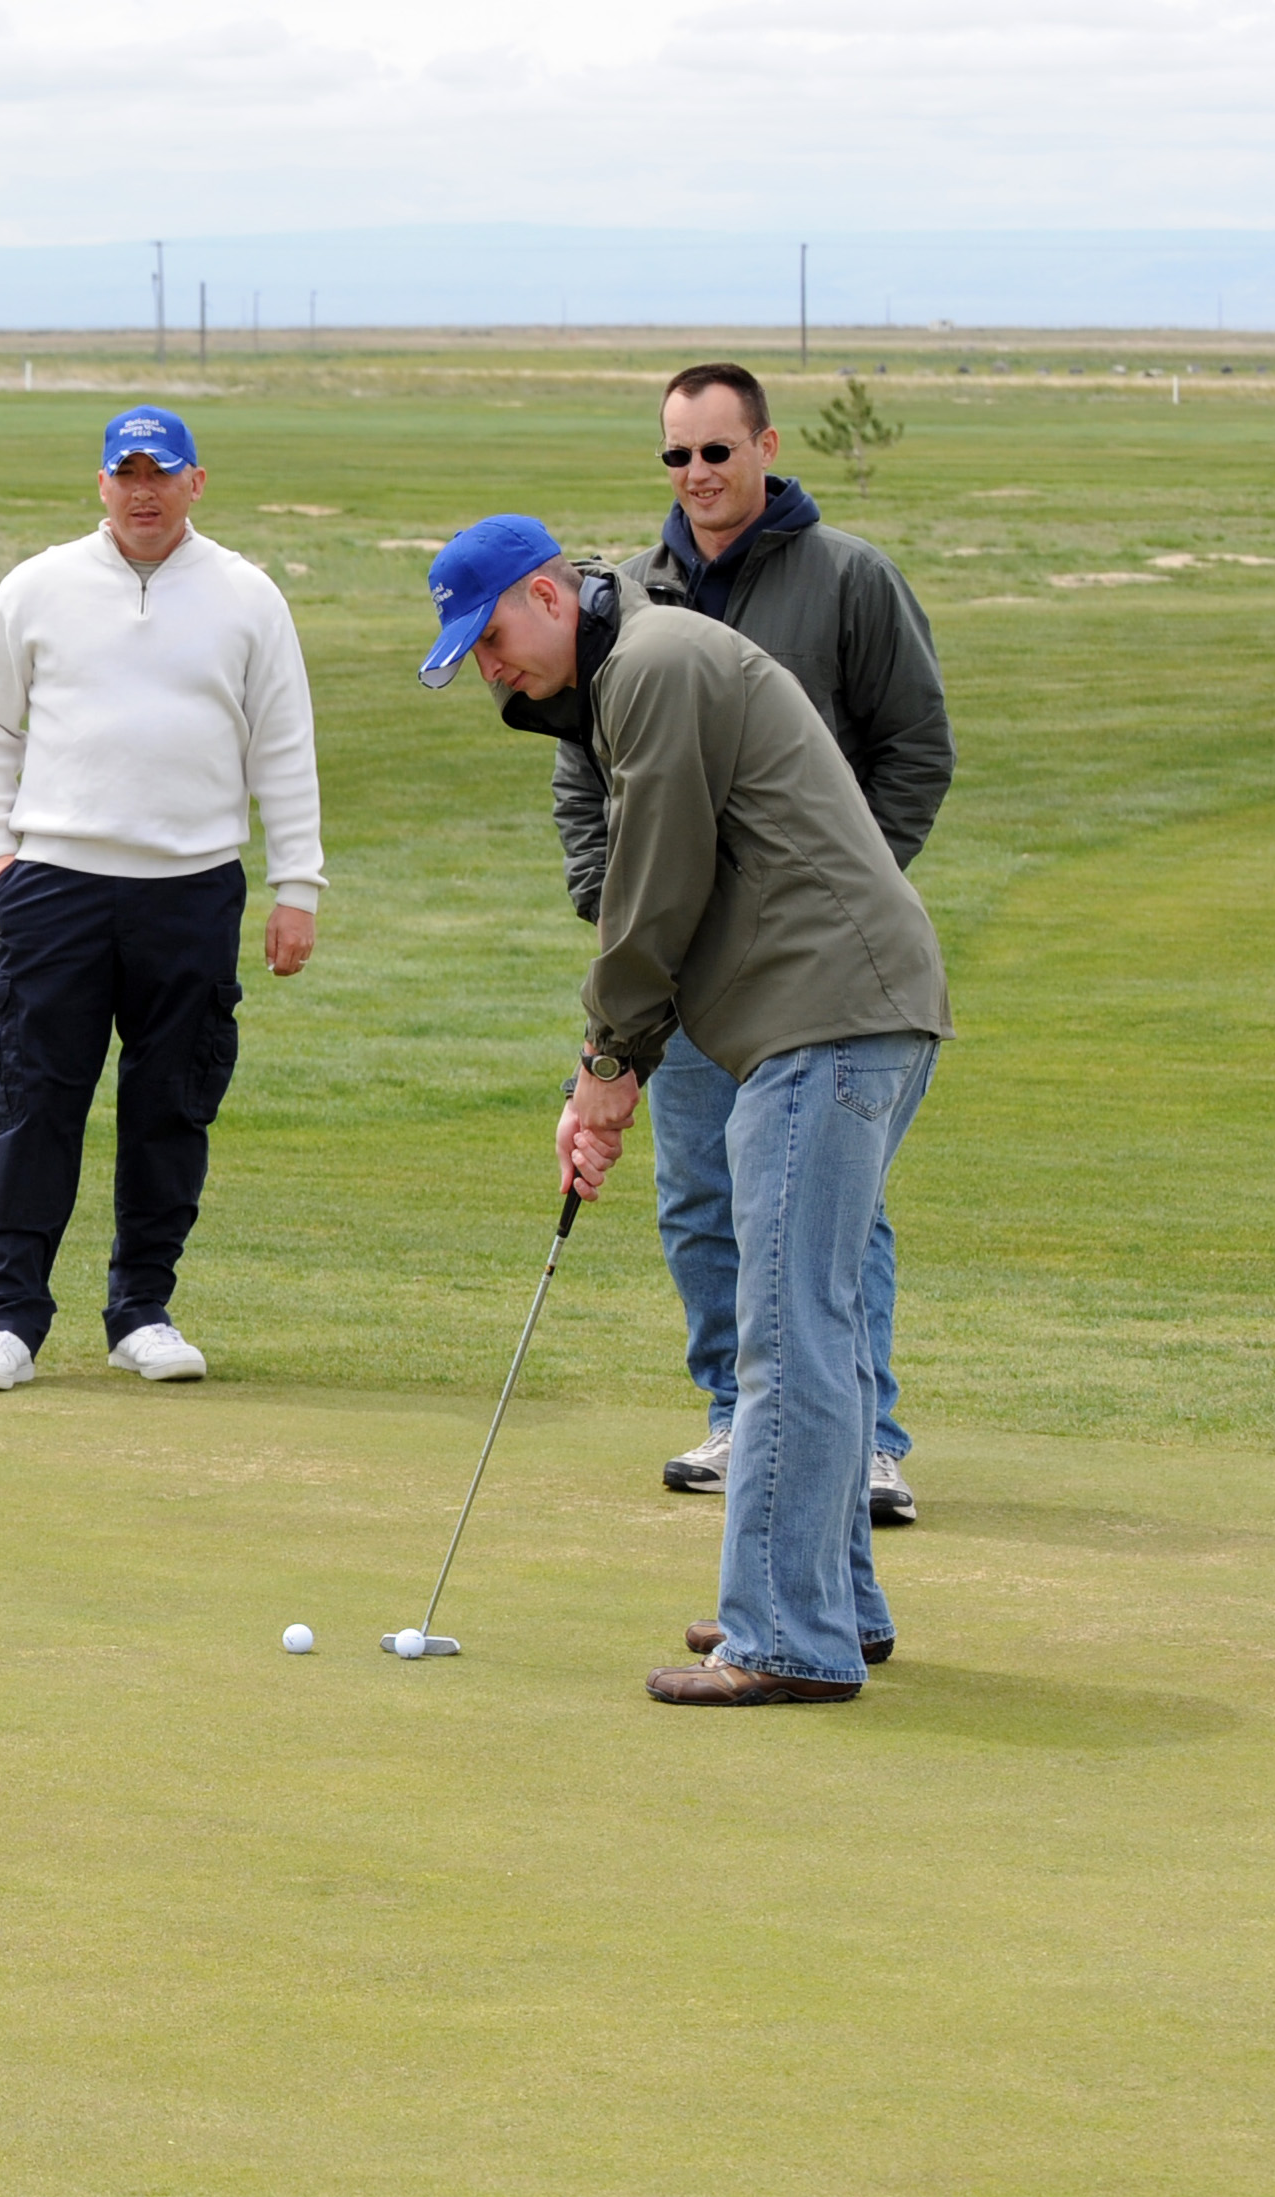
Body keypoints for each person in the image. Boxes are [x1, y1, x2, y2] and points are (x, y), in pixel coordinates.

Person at [423, 515, 950, 1703]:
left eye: (493, 637)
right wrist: (609, 1062)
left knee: (786, 1326)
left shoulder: (652, 664)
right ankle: (833, 1605)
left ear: (550, 596)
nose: (491, 669)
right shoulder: (631, 669)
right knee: (816, 1317)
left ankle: (785, 1636)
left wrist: (608, 1063)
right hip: (838, 1008)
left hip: (825, 1013)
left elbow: (654, 880)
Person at [553, 363, 953, 1522]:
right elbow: (585, 783)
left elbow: (913, 748)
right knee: (698, 1196)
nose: (695, 476)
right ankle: (739, 1414)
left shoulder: (847, 579)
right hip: (677, 973)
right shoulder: (628, 595)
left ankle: (862, 1439)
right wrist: (611, 905)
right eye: (675, 456)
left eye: (715, 452)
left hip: (809, 973)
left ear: (765, 447)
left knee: (826, 1218)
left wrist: (830, 894)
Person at [0, 405, 324, 1392]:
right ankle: (7, 1317)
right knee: (35, 1099)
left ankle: (142, 1310)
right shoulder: (37, 587)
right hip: (56, 884)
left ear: (198, 481)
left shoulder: (246, 596)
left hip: (192, 887)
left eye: (164, 472)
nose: (144, 490)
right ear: (101, 483)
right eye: (127, 473)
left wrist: (297, 884)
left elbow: (282, 746)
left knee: (170, 1106)